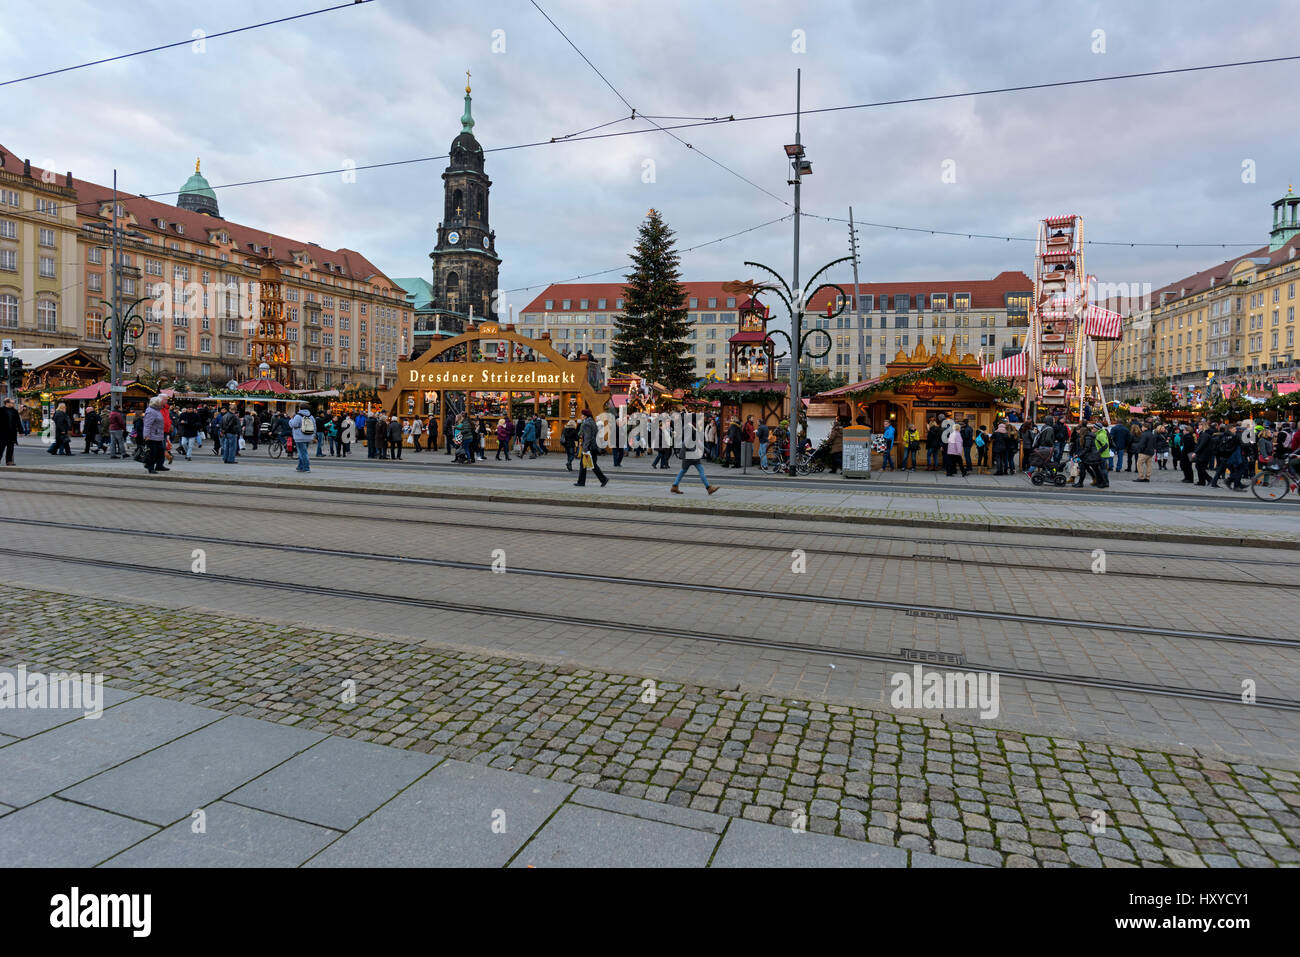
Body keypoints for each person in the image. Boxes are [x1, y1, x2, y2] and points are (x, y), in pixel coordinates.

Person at [670, 419, 719, 495]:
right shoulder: (690, 428)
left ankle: (675, 486)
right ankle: (709, 488)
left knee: (683, 471)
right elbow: (688, 442)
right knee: (700, 471)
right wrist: (707, 451)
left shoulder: (689, 428)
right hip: (691, 454)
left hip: (689, 455)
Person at [574, 407, 608, 487]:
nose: (581, 416)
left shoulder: (586, 423)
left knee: (587, 464)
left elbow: (588, 437)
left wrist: (585, 449)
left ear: (585, 415)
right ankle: (602, 479)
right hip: (594, 446)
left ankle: (582, 482)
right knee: (590, 465)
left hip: (589, 447)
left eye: (582, 415)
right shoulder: (592, 422)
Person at [290, 404, 315, 472]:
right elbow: (314, 426)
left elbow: (294, 425)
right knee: (302, 452)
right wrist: (313, 436)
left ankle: (306, 468)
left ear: (300, 408)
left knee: (303, 453)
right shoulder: (311, 416)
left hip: (299, 437)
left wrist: (291, 419)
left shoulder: (297, 416)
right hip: (308, 436)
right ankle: (300, 466)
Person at [0, 397, 20, 465]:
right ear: (7, 403)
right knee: (1, 448)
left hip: (12, 433)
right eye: (12, 403)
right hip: (2, 432)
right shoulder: (1, 410)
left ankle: (9, 461)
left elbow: (18, 421)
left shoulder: (14, 411)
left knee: (10, 448)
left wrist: (21, 431)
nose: (13, 404)